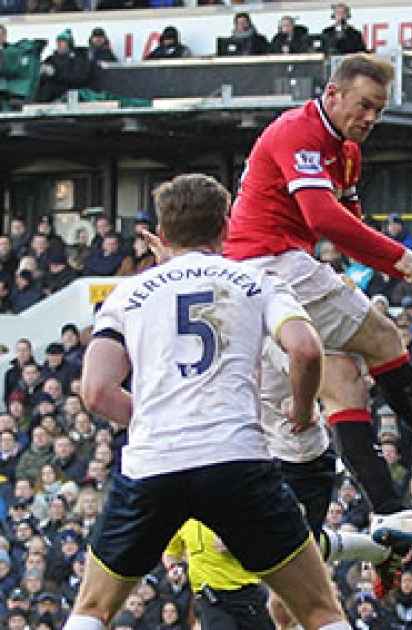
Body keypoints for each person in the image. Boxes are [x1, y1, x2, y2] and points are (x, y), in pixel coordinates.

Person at [223, 53, 412, 555]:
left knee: (333, 391)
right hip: (269, 267)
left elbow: (350, 226)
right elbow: (323, 218)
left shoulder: (346, 153)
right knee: (381, 338)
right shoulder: (298, 131)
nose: (370, 119)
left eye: (379, 110)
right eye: (364, 106)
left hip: (269, 280)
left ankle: (382, 513)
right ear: (333, 94)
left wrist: (358, 276)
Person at [64, 173, 347, 630]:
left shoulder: (128, 293)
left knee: (93, 610)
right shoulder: (256, 280)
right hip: (234, 458)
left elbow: (95, 391)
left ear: (160, 233)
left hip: (154, 463)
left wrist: (149, 423)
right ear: (227, 225)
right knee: (318, 611)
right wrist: (300, 408)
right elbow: (306, 348)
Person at [162, 519, 271, 630]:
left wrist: (236, 542)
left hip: (244, 591)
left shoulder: (231, 507)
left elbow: (263, 537)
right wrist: (173, 568)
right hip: (209, 597)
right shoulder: (182, 518)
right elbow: (170, 553)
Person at [36, 30, 93, 103]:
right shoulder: (51, 59)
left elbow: (79, 77)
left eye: (63, 42)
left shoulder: (78, 58)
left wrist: (56, 74)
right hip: (52, 91)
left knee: (49, 89)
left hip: (70, 89)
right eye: (58, 42)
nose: (59, 44)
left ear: (69, 43)